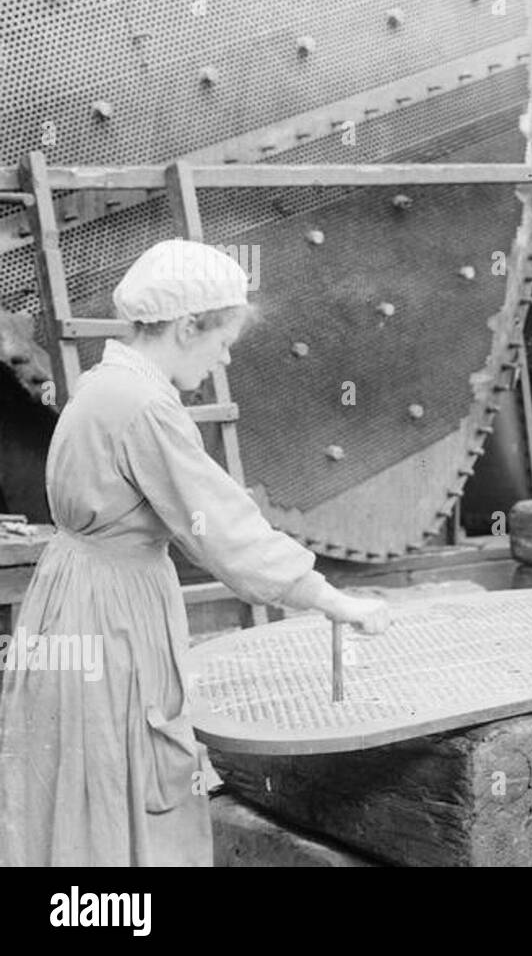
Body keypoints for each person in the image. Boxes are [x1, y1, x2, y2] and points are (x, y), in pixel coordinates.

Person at [0, 239, 389, 867]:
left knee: (78, 775)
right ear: (186, 327)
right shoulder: (146, 407)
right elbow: (227, 532)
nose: (225, 355)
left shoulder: (102, 384)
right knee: (129, 768)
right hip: (112, 616)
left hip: (68, 600)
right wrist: (328, 597)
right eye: (221, 339)